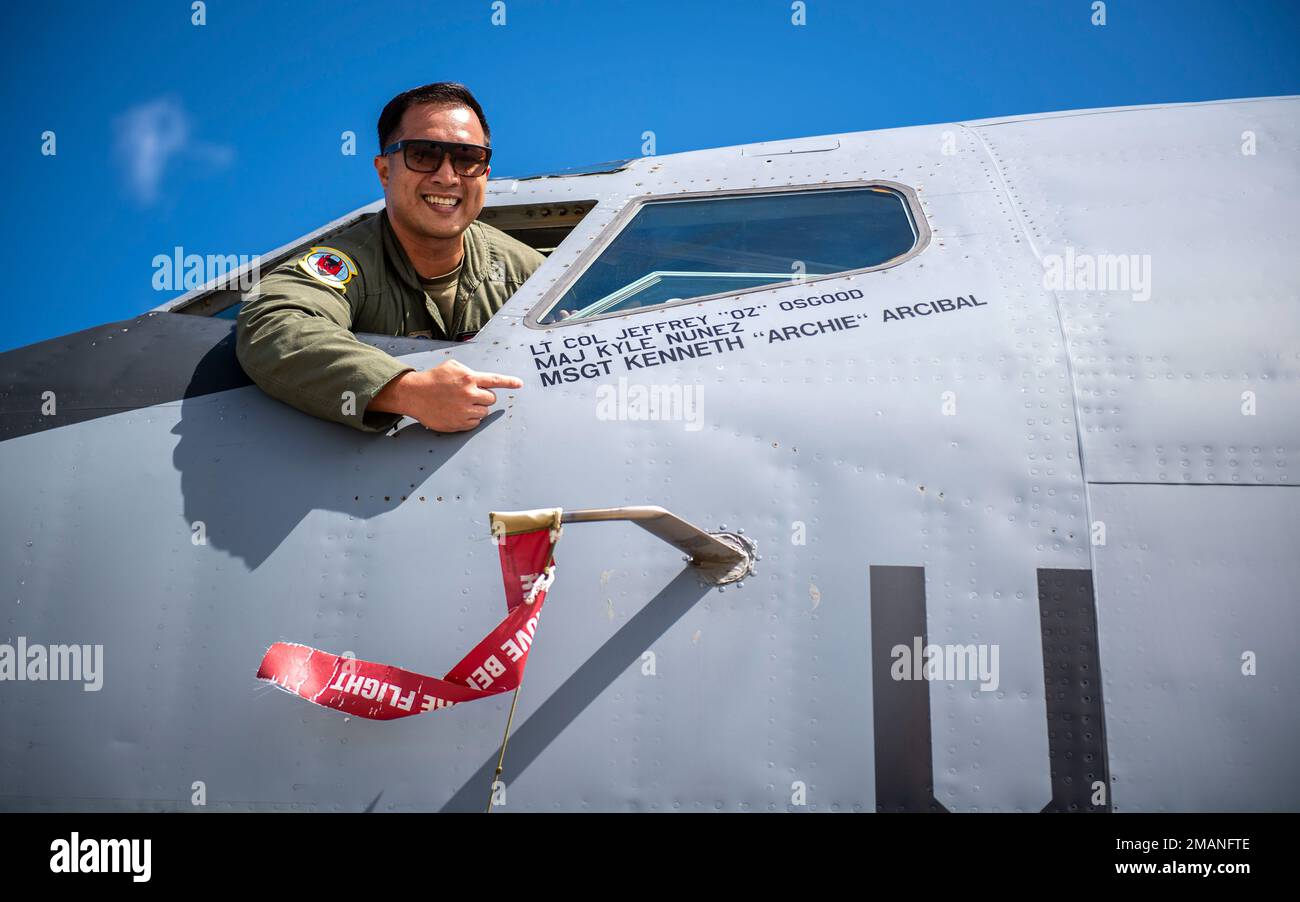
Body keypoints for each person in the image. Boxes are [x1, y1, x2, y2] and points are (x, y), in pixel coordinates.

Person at [236, 82, 544, 433]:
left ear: (485, 174)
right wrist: (406, 391)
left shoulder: (529, 273)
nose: (447, 177)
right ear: (384, 171)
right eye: (424, 155)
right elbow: (276, 323)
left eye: (467, 158)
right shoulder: (348, 262)